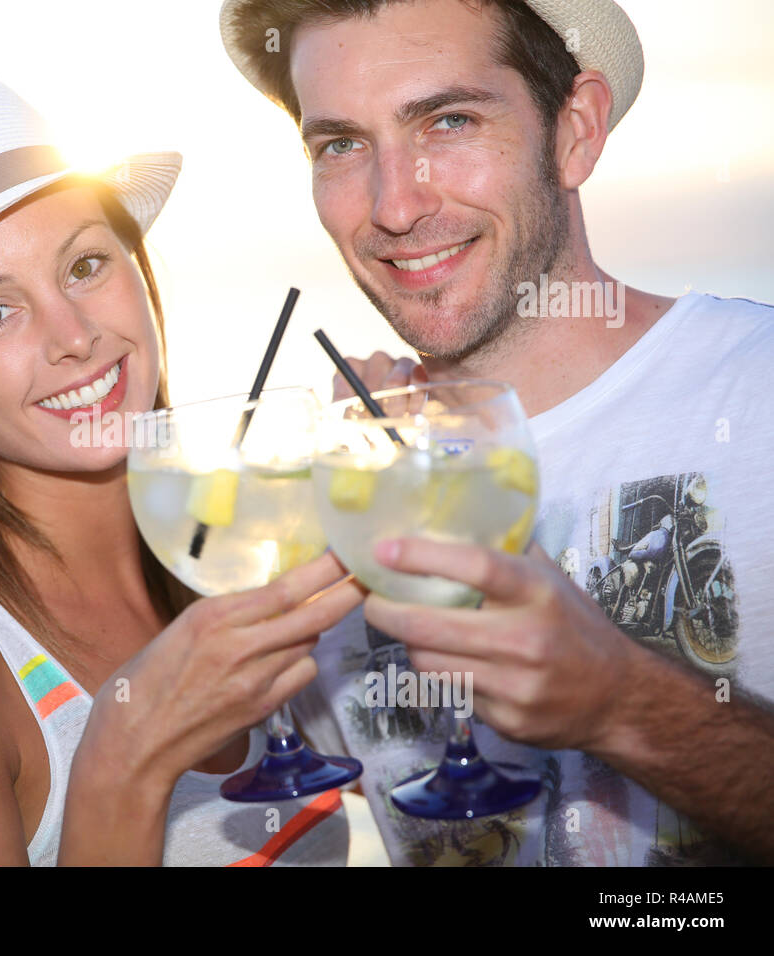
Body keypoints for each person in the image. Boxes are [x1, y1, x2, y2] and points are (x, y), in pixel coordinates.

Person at [220, 0, 774, 865]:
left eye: (448, 120)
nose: (394, 206)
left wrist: (626, 704)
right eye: (342, 145)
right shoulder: (329, 503)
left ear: (575, 131)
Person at [0, 61, 363, 865]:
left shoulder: (231, 545)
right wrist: (120, 762)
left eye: (84, 265)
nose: (72, 335)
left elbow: (451, 778)